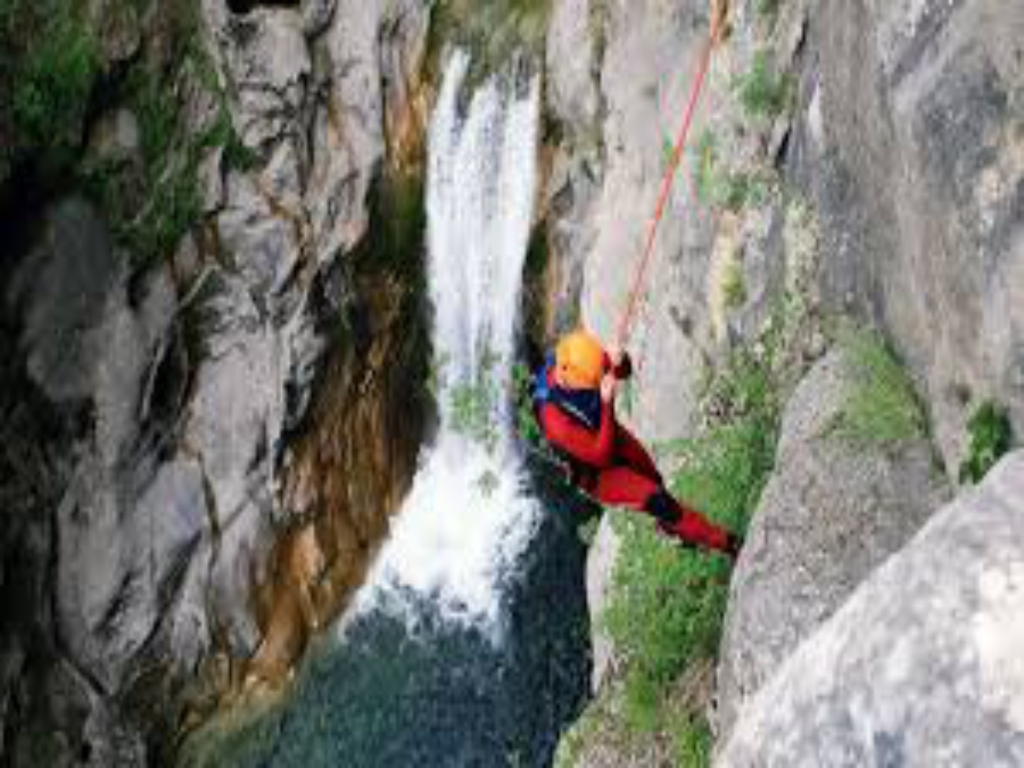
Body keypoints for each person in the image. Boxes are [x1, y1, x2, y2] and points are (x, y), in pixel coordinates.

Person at [533, 330, 742, 559]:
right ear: (568, 379)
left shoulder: (582, 357)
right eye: (593, 382)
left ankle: (671, 525)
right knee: (659, 500)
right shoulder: (555, 421)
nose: (598, 380)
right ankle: (728, 543)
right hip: (599, 474)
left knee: (655, 479)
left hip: (612, 436)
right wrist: (606, 403)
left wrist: (620, 361)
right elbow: (600, 455)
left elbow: (623, 372)